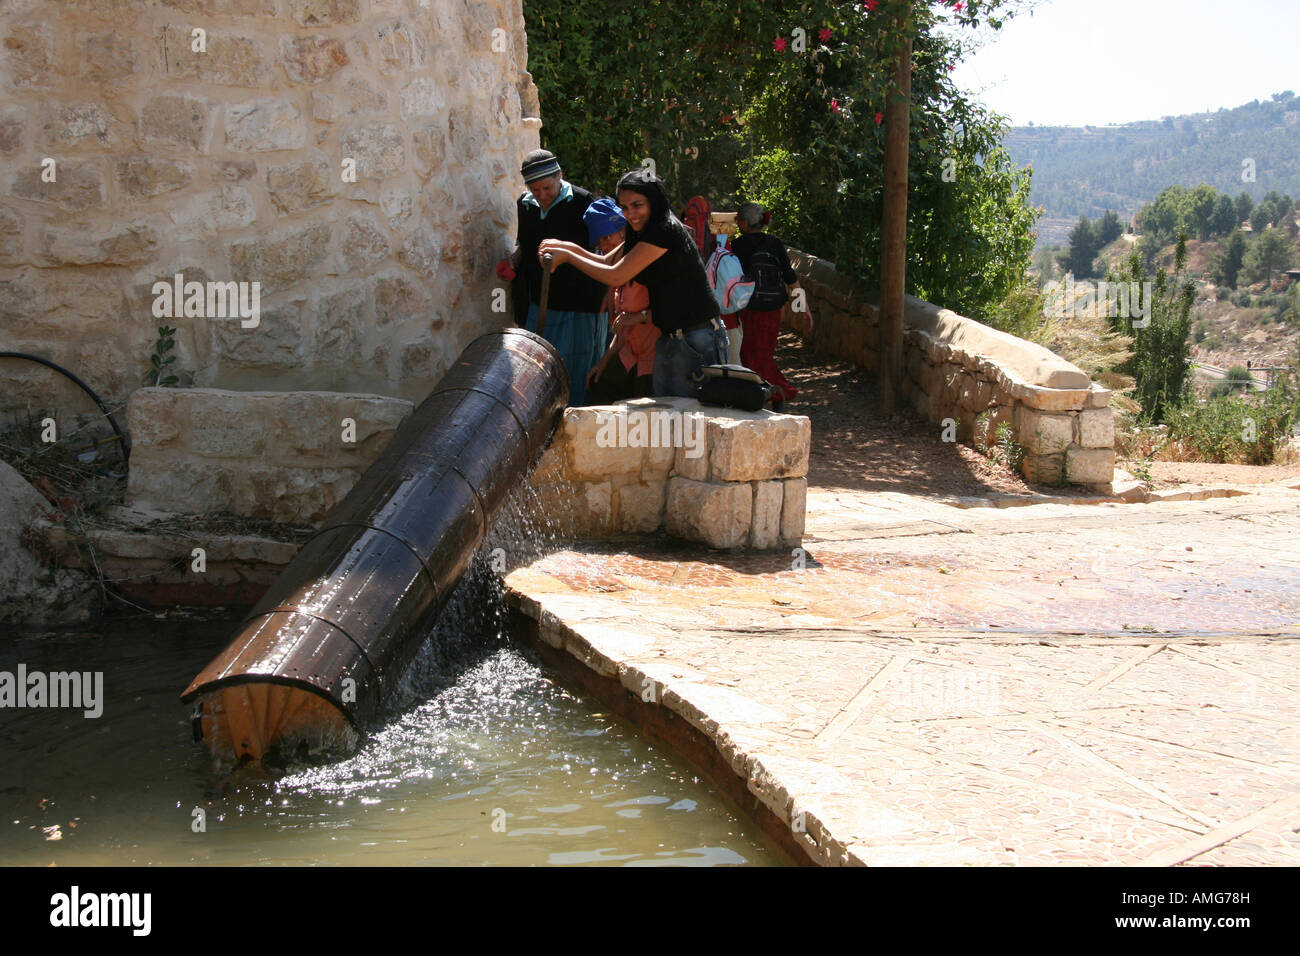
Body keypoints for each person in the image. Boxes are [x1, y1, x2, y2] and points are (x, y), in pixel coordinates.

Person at [537, 168, 727, 398]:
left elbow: (616, 275)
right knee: (669, 421)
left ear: (653, 202)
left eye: (638, 205)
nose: (631, 214)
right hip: (672, 338)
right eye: (625, 208)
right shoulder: (642, 231)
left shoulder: (663, 230)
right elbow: (607, 260)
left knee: (688, 423)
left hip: (696, 337)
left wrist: (567, 256)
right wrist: (565, 246)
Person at [496, 149, 606, 405]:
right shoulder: (525, 205)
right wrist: (514, 261)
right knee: (540, 372)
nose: (542, 195)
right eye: (536, 190)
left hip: (581, 305)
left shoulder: (582, 201)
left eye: (547, 188)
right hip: (541, 302)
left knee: (576, 374)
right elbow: (525, 244)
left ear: (559, 176)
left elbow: (602, 251)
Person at [732, 201, 812, 411]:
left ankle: (770, 393)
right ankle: (771, 394)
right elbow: (790, 276)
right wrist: (803, 307)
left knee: (748, 353)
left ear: (745, 222)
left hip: (749, 307)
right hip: (773, 308)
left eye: (739, 220)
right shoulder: (774, 243)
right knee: (765, 352)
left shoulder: (738, 245)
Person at [582, 198, 659, 404]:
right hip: (630, 354)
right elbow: (621, 329)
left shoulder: (646, 262)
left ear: (623, 231)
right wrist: (603, 363)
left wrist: (637, 317)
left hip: (655, 357)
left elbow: (668, 311)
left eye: (608, 237)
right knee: (599, 384)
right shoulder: (614, 277)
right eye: (600, 242)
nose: (604, 246)